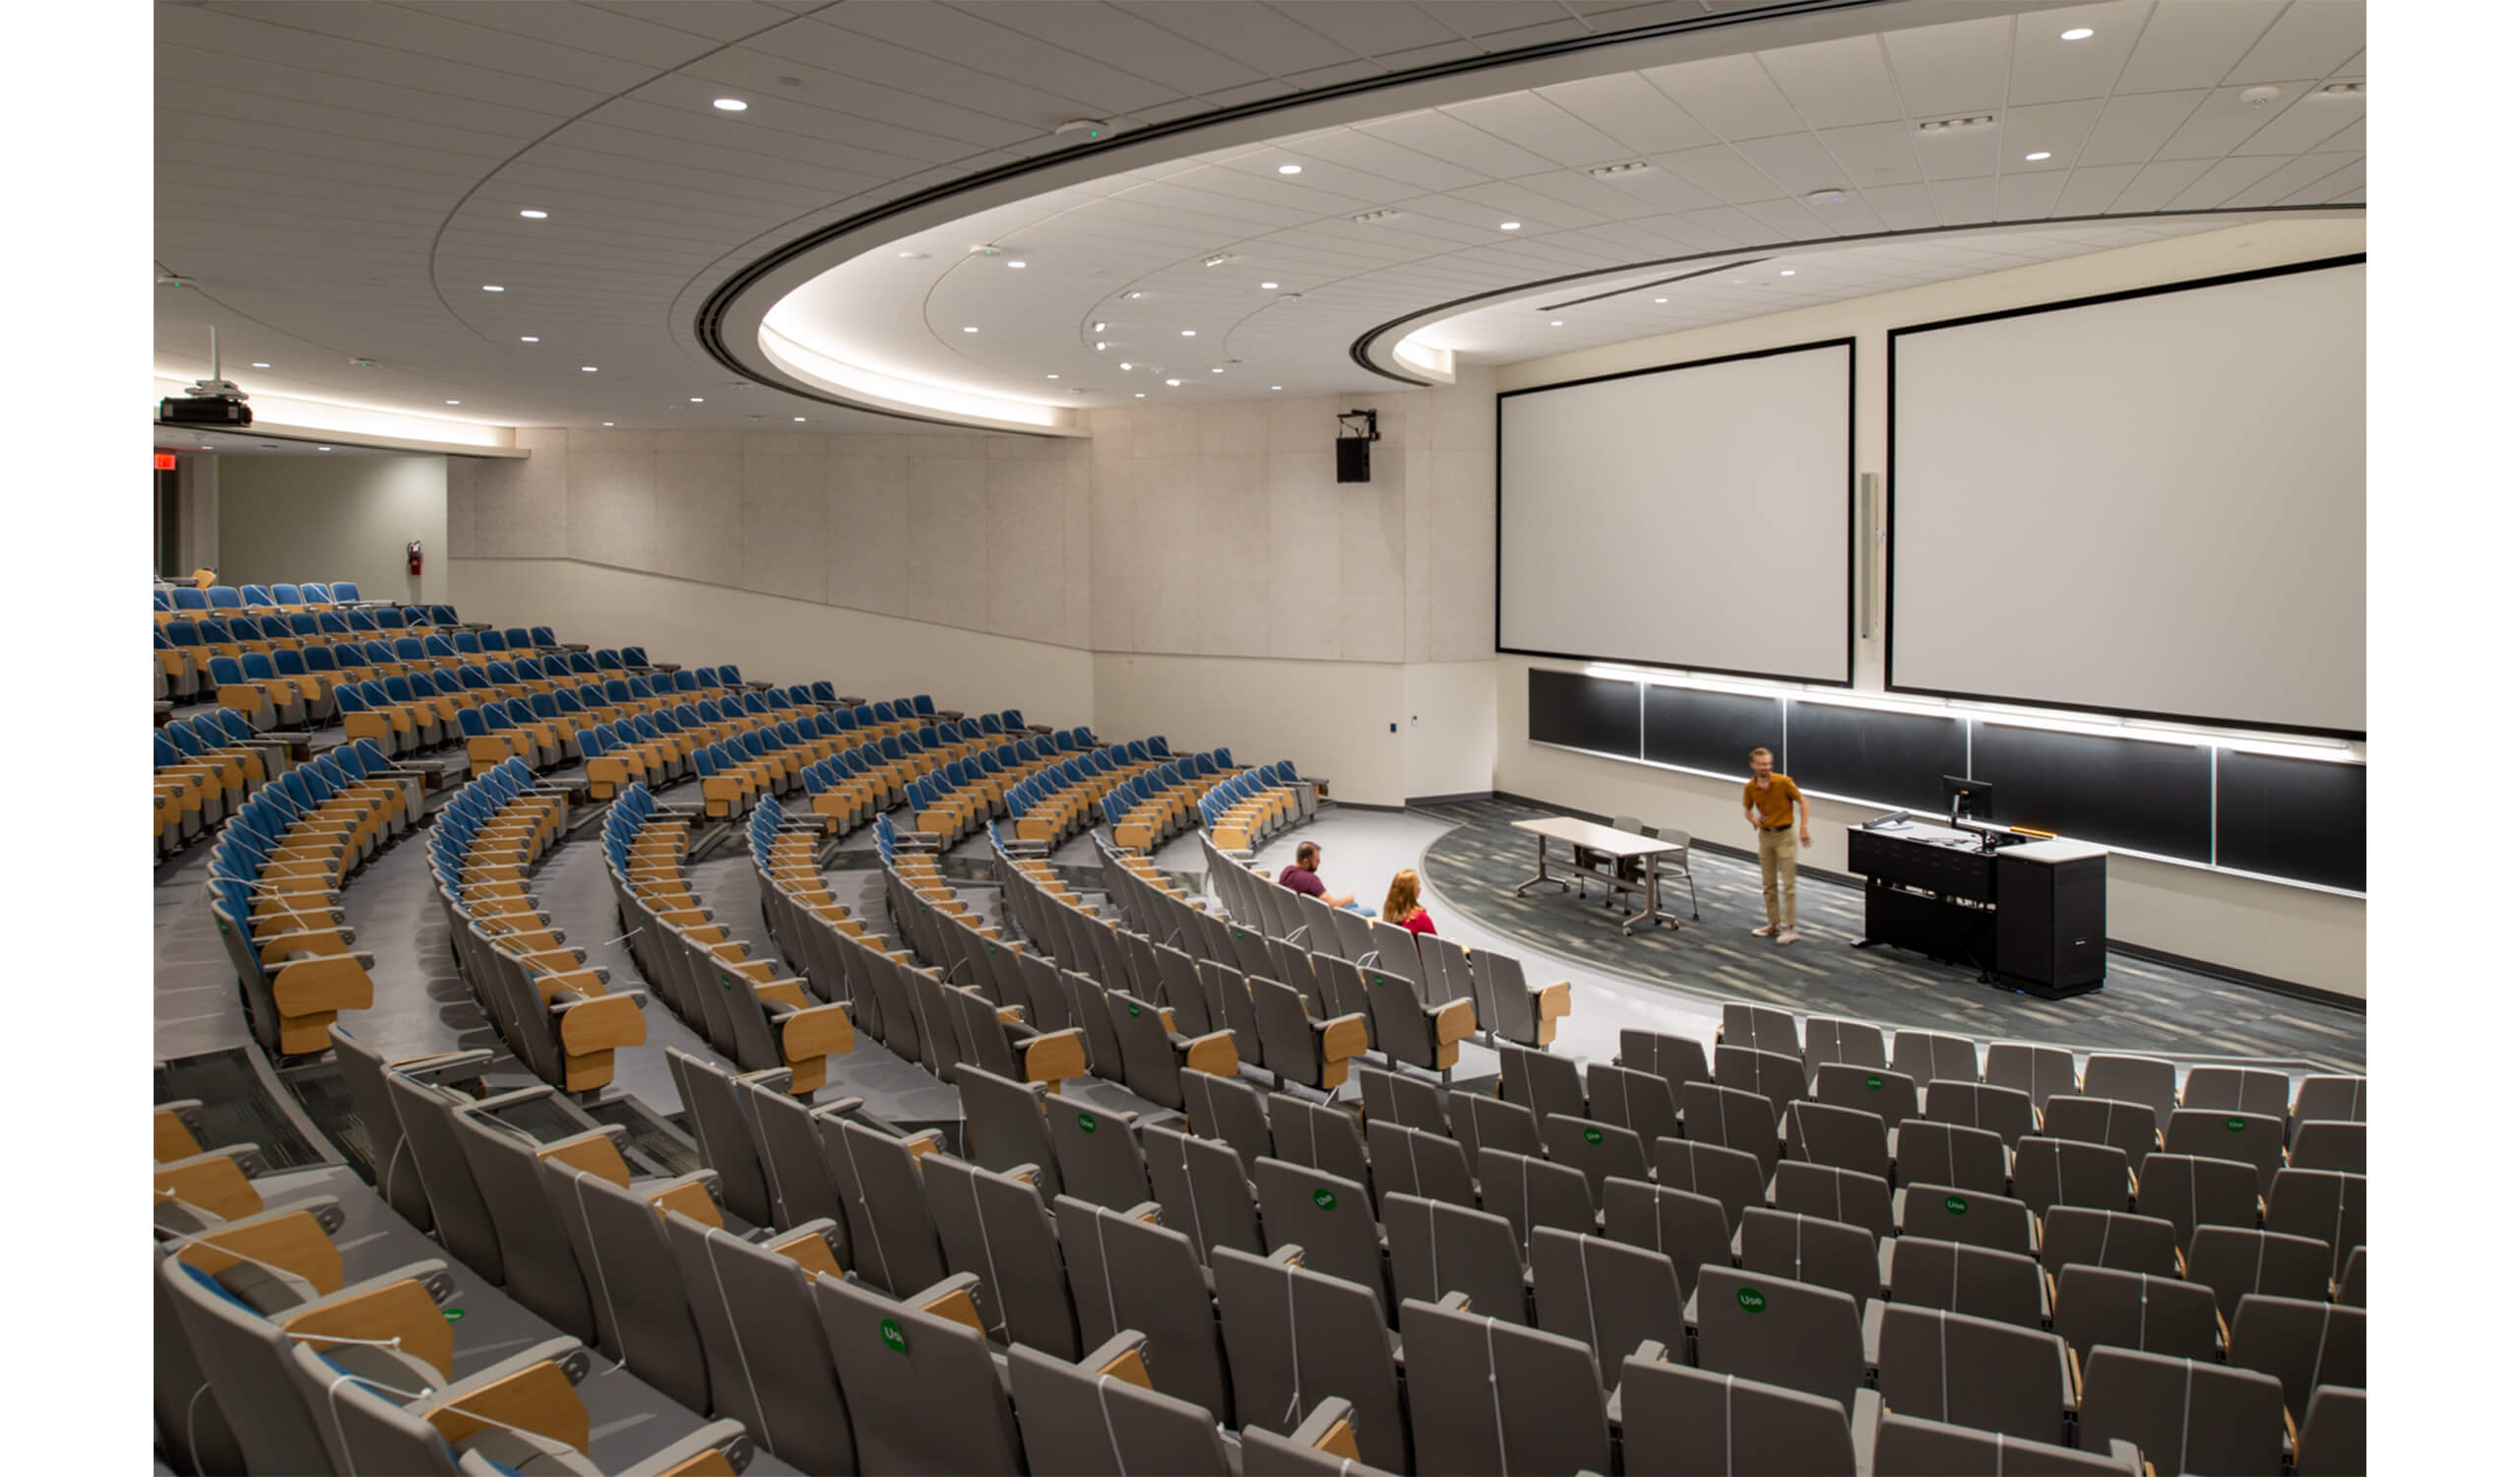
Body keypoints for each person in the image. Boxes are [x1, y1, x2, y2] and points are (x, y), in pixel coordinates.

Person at [1740, 745, 1810, 944]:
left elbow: (1803, 801)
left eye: (1769, 764)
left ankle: (1791, 927)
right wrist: (1752, 819)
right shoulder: (1750, 787)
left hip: (1785, 835)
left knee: (1788, 884)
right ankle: (1773, 924)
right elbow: (1746, 808)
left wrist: (1804, 828)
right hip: (1766, 836)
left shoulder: (1783, 782)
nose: (1766, 767)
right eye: (1762, 764)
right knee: (1768, 883)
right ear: (1753, 765)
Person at [1277, 841, 1358, 910]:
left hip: (1300, 916)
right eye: (1317, 861)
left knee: (1353, 905)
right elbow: (1332, 906)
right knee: (1368, 911)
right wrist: (1347, 899)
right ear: (1306, 862)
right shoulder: (1310, 880)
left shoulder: (1286, 872)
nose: (1319, 863)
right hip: (1320, 922)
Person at [1382, 869, 1436, 936]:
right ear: (1411, 890)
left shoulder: (1388, 917)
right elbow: (1435, 946)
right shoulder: (1420, 919)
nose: (1420, 888)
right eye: (1418, 884)